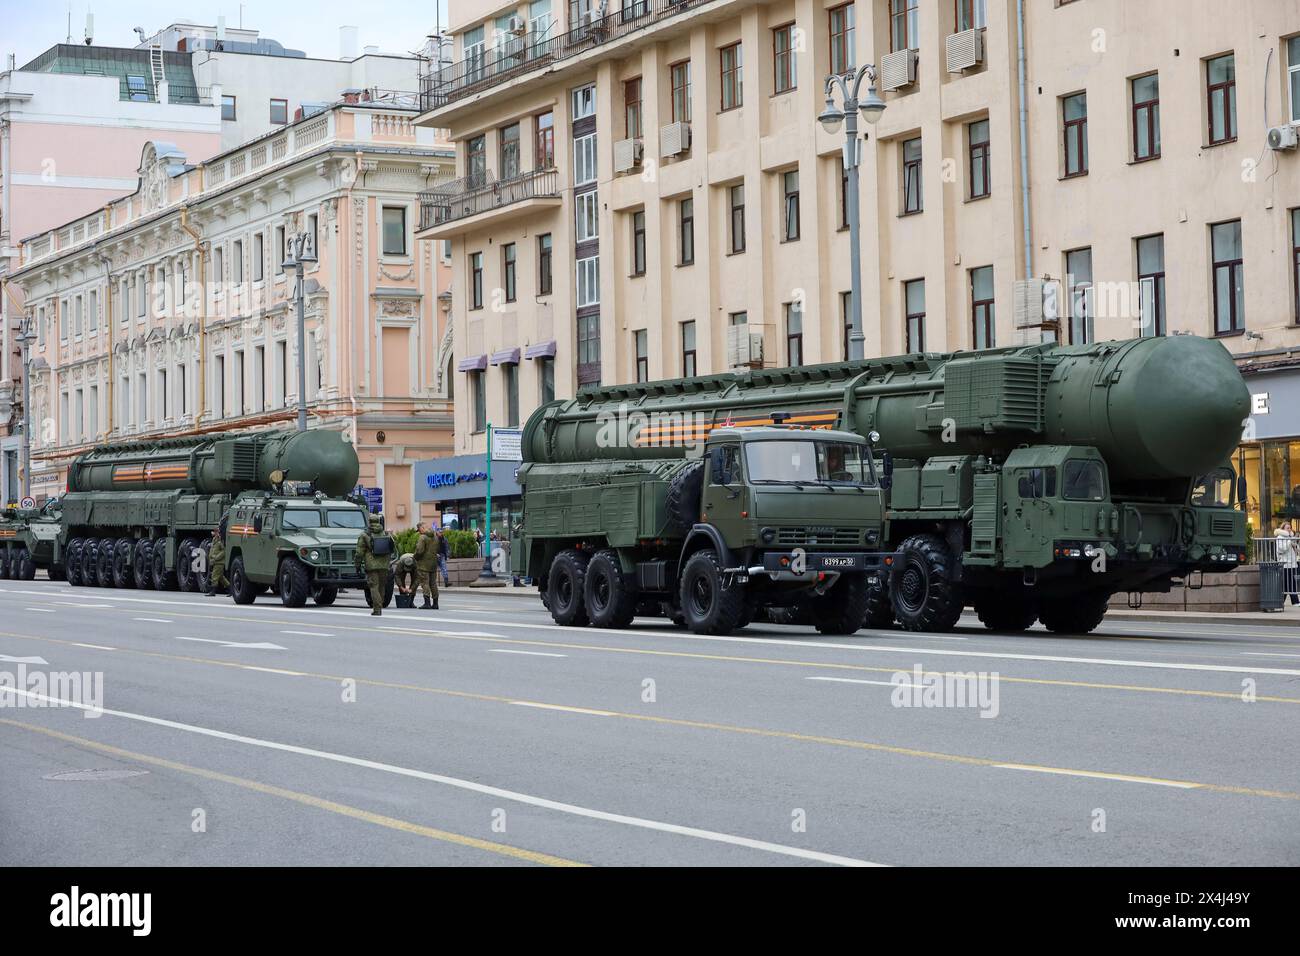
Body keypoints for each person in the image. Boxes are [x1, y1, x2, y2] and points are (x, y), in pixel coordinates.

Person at [355, 513, 394, 616]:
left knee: (374, 587)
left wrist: (357, 565)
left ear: (369, 522)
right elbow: (392, 548)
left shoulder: (365, 535)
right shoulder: (385, 533)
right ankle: (380, 605)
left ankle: (377, 609)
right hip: (384, 565)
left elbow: (359, 553)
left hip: (371, 565)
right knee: (382, 586)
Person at [413, 522, 442, 609]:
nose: (419, 532)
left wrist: (415, 557)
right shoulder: (435, 537)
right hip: (433, 564)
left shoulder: (422, 537)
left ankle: (427, 603)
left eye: (419, 530)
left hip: (423, 565)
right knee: (433, 584)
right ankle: (435, 603)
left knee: (425, 583)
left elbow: (419, 551)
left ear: (422, 528)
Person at [1278, 521, 1299, 607]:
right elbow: (1282, 549)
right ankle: (1295, 601)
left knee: (1289, 583)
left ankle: (1281, 601)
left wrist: (1295, 544)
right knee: (1288, 583)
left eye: (1290, 528)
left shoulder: (1290, 537)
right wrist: (1290, 540)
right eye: (1287, 528)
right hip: (1285, 564)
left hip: (1292, 563)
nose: (1289, 529)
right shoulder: (1280, 537)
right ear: (1283, 529)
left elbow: (1297, 549)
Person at [207, 527, 229, 596]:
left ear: (217, 533)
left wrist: (216, 558)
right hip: (215, 562)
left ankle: (213, 591)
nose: (212, 533)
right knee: (221, 577)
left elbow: (223, 551)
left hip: (219, 562)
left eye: (214, 532)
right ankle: (231, 590)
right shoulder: (214, 540)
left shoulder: (219, 541)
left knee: (214, 576)